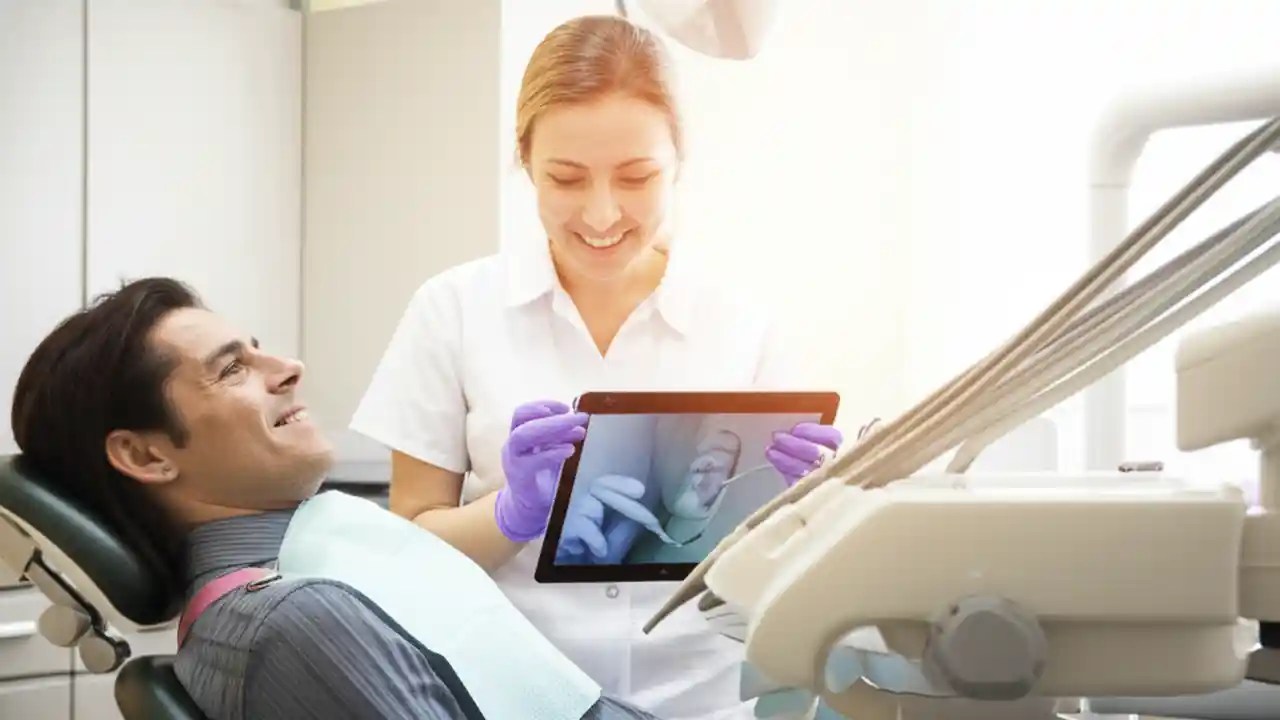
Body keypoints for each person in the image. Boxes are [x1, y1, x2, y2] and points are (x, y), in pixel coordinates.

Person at [350, 14, 844, 719]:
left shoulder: (742, 322)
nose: (602, 213)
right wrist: (512, 514)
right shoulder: (453, 310)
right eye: (567, 179)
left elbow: (775, 569)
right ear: (525, 161)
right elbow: (408, 553)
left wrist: (812, 509)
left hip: (704, 703)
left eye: (637, 177)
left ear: (679, 162)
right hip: (510, 697)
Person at [9, 277, 660, 720]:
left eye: (257, 351)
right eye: (232, 369)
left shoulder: (322, 560)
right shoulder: (298, 623)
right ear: (146, 455)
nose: (289, 368)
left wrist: (515, 511)